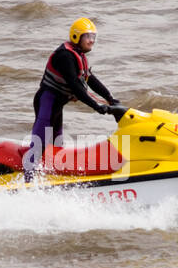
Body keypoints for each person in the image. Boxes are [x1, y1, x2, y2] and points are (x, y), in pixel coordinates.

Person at [24, 17, 119, 180]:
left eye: (93, 37)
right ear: (77, 36)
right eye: (88, 37)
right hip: (47, 103)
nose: (91, 41)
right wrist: (97, 107)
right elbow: (76, 87)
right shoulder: (65, 56)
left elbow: (90, 79)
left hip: (57, 106)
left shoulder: (79, 55)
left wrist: (110, 98)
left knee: (57, 144)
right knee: (39, 144)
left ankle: (52, 176)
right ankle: (28, 180)